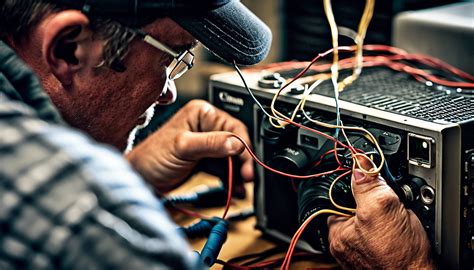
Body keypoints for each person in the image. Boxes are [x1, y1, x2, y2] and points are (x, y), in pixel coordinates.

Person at [0, 0, 433, 269]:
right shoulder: (95, 221)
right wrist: (411, 264)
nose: (170, 91)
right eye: (174, 56)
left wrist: (129, 174)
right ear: (69, 49)